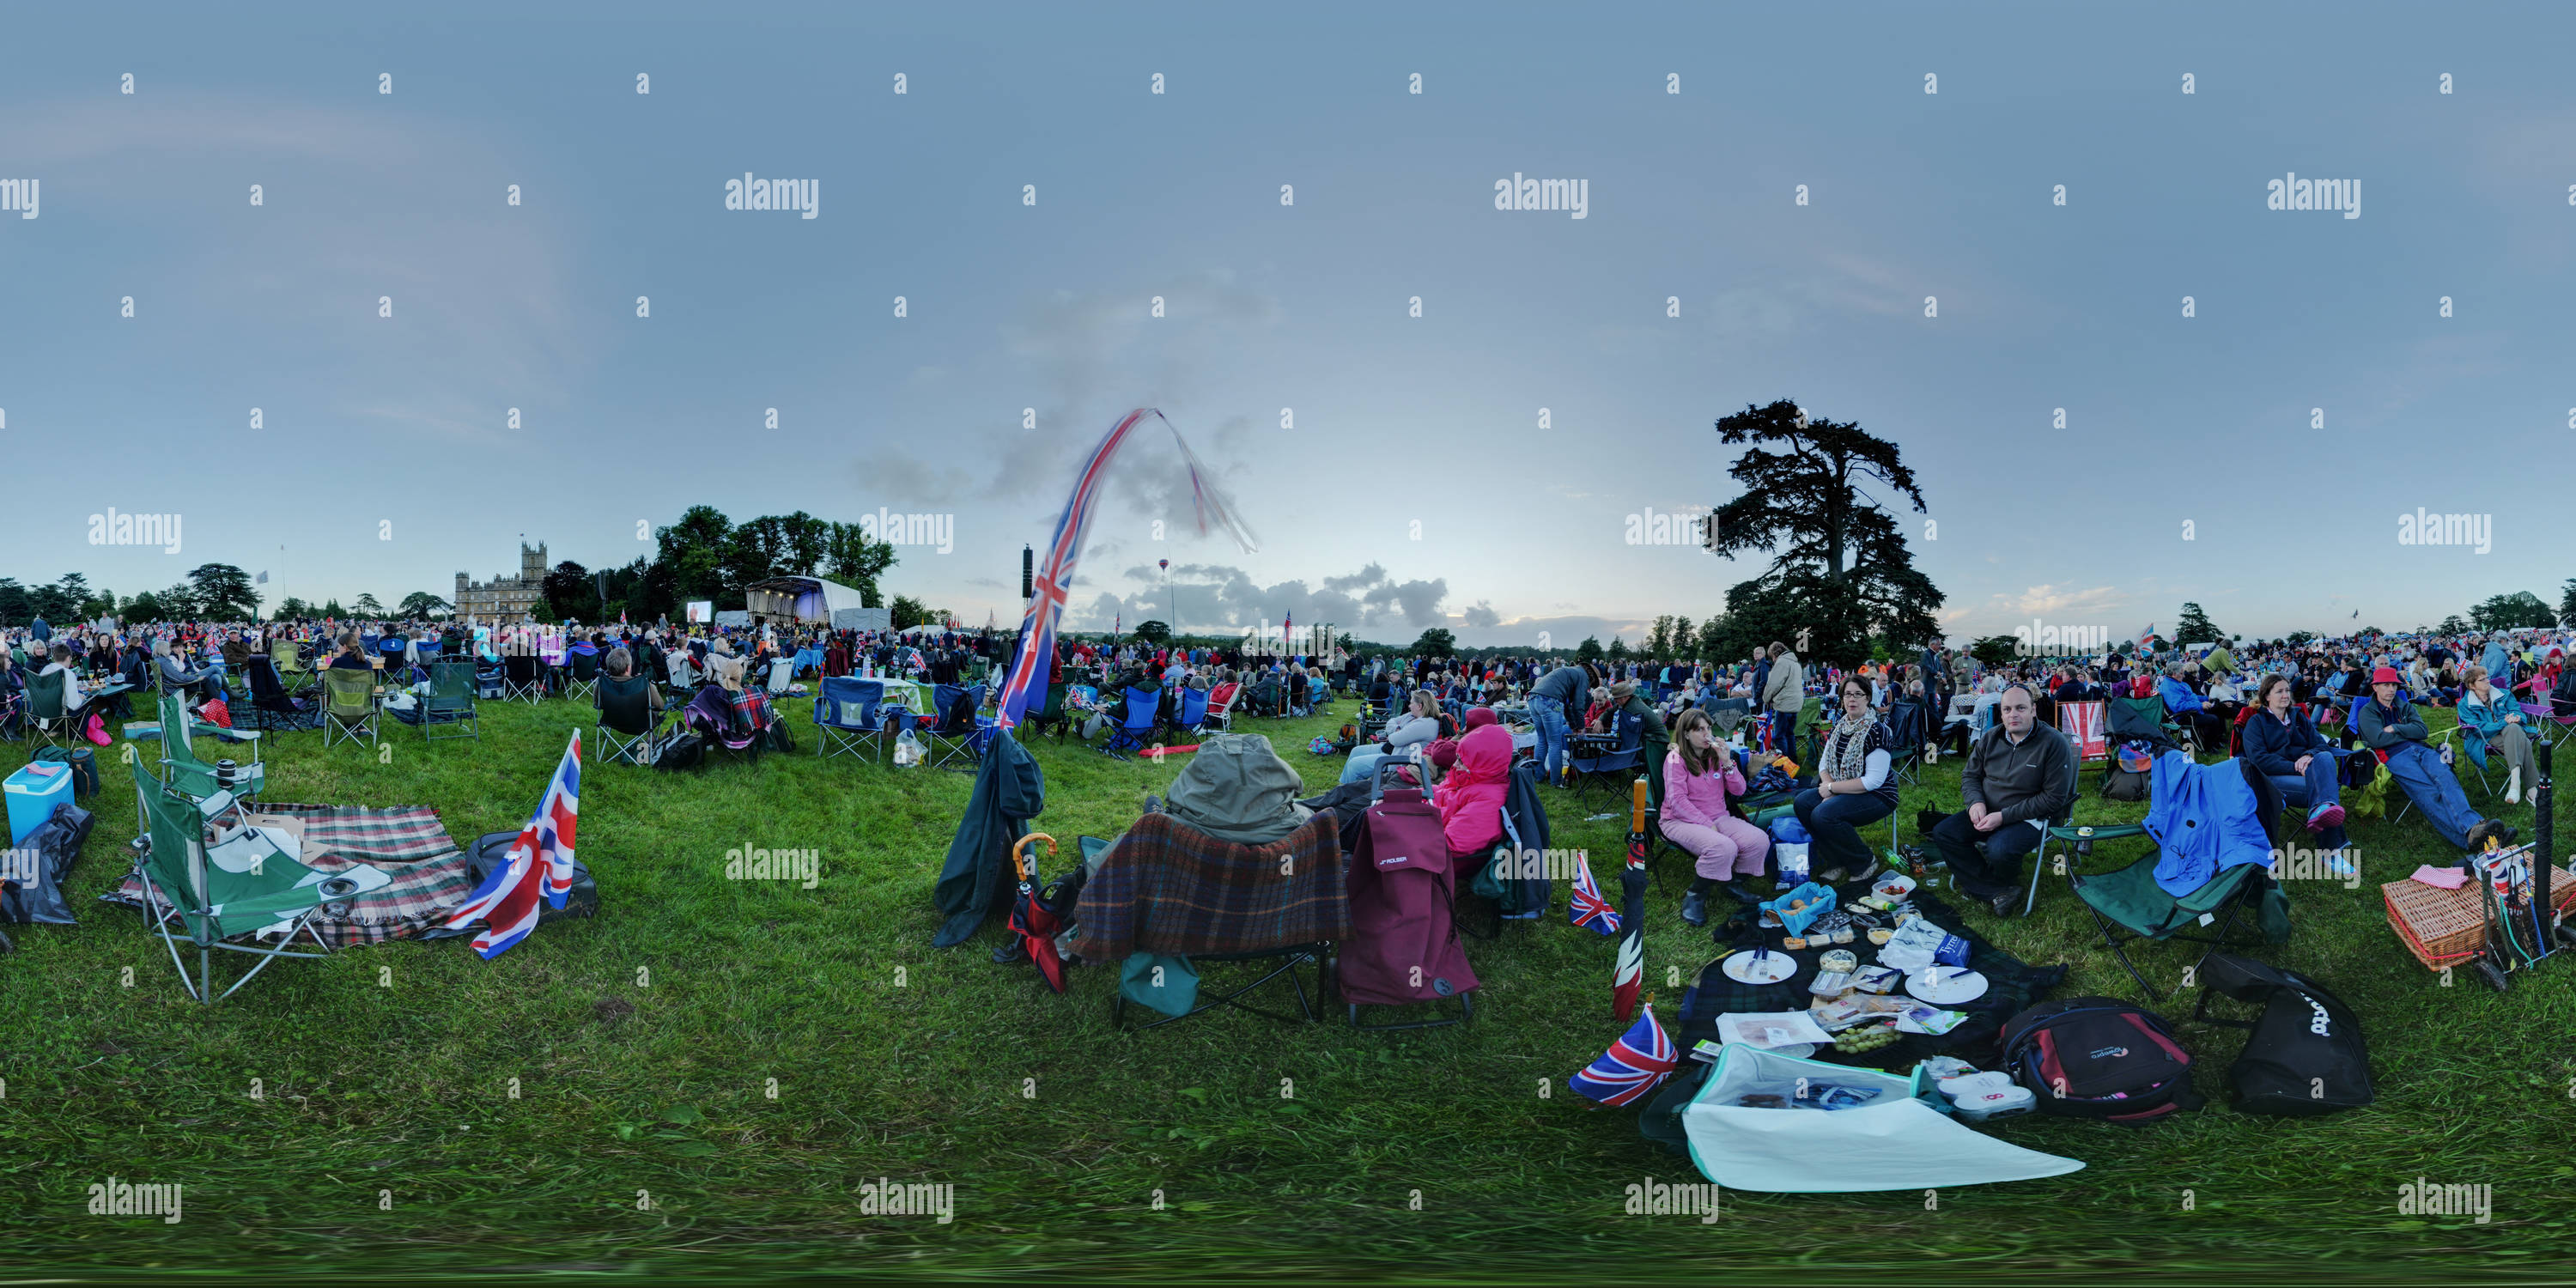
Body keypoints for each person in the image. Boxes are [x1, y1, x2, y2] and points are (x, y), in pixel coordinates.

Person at [1935, 683, 2075, 915]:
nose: (2013, 715)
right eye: (2007, 709)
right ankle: (1996, 890)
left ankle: (1984, 886)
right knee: (1944, 832)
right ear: (2001, 712)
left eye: (2021, 708)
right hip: (1989, 809)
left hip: (2034, 818)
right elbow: (1970, 775)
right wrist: (1975, 802)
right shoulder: (1991, 737)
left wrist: (2003, 817)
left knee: (1999, 849)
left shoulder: (2053, 743)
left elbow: (2054, 798)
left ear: (2033, 710)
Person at [2356, 666, 2507, 855]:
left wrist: (2395, 728)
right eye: (2386, 685)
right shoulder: (2367, 712)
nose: (2391, 689)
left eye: (2394, 685)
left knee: (2445, 775)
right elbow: (2378, 739)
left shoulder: (2404, 705)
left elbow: (2422, 731)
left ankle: (2476, 831)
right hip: (2393, 756)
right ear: (2375, 687)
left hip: (2420, 748)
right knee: (2427, 789)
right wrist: (2407, 732)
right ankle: (2473, 835)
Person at [1662, 708, 1771, 925]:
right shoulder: (1676, 759)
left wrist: (1727, 761)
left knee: (1759, 840)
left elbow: (1740, 790)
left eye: (1709, 728)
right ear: (1685, 734)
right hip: (1679, 820)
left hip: (1718, 816)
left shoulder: (1715, 756)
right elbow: (1677, 801)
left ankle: (1731, 884)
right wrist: (1705, 823)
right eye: (1699, 730)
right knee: (1723, 847)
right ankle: (1695, 895)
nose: (1707, 734)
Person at [1790, 677, 1895, 887]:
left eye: (1858, 694)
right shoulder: (1840, 726)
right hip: (1842, 787)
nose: (1852, 699)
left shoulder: (1877, 731)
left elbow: (1873, 781)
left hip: (1878, 795)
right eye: (1847, 694)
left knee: (1824, 814)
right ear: (1841, 698)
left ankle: (1864, 861)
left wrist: (1831, 788)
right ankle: (1835, 859)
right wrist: (1830, 789)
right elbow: (1824, 764)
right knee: (1802, 803)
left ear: (1868, 698)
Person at [2241, 674, 2350, 859]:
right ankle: (2332, 850)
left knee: (2323, 756)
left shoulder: (2298, 718)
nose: (2285, 695)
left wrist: (2308, 755)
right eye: (2279, 691)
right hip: (2271, 780)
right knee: (2323, 788)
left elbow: (2321, 745)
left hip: (2307, 771)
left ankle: (2322, 813)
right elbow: (2259, 760)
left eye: (2287, 690)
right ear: (2267, 696)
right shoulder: (2256, 723)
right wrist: (2296, 767)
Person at [2459, 665, 2541, 805]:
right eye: (2482, 679)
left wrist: (2517, 718)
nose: (2487, 681)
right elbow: (2479, 728)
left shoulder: (2504, 694)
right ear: (2472, 686)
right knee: (2524, 741)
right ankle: (2531, 790)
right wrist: (2503, 723)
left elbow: (2517, 711)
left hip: (2511, 731)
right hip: (2485, 738)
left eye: (2487, 677)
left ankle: (2515, 784)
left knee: (2514, 728)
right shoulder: (2465, 705)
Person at [1341, 689, 1442, 785]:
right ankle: (1342, 788)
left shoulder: (1425, 724)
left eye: (1411, 703)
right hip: (1392, 750)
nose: (1409, 706)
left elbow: (1394, 740)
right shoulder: (1412, 716)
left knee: (1354, 765)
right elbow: (1391, 721)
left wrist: (1394, 732)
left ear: (1419, 706)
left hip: (1399, 760)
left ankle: (1348, 794)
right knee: (1356, 750)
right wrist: (1397, 729)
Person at [1527, 661, 1591, 787]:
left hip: (1533, 698)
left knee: (1542, 740)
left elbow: (1567, 705)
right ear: (1591, 676)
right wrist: (1581, 728)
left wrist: (1573, 725)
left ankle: (1538, 777)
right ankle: (1556, 781)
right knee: (1555, 742)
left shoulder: (1568, 673)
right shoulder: (1583, 676)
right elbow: (1578, 706)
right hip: (1549, 701)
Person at [1759, 641, 1805, 756]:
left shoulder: (1782, 662)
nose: (1773, 660)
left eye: (1772, 657)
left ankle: (1785, 766)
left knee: (1779, 736)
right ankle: (1793, 764)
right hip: (1795, 704)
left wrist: (1766, 698)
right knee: (1789, 734)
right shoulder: (1795, 663)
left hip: (1784, 704)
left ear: (1775, 654)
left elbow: (1774, 684)